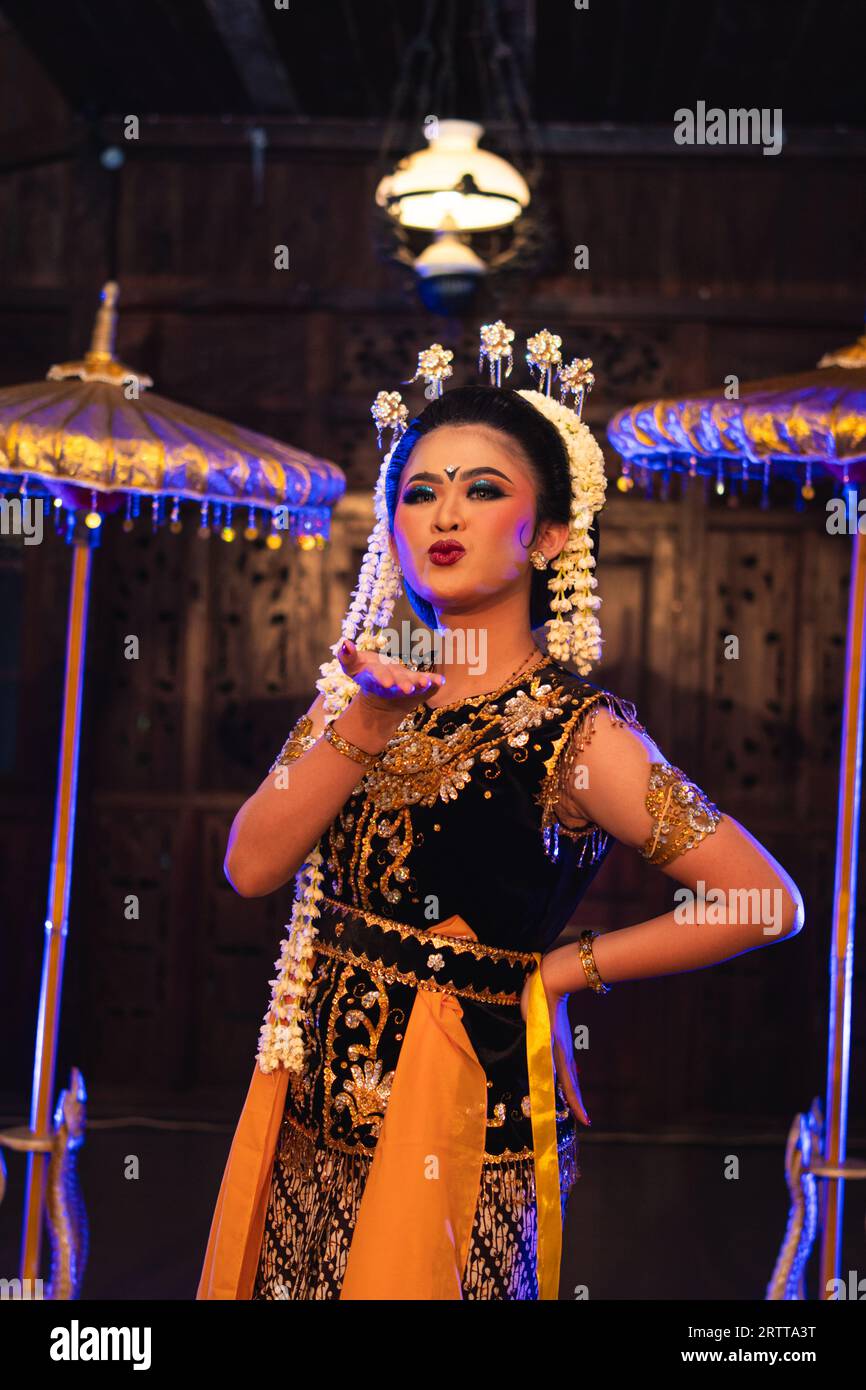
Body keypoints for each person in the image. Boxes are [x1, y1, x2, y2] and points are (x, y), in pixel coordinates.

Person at [196, 328, 804, 1302]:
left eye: (481, 489)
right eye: (418, 490)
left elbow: (761, 901)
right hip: (309, 1093)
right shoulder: (355, 689)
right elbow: (250, 868)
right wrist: (368, 714)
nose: (443, 511)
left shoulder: (579, 733)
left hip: (461, 1102)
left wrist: (561, 973)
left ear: (549, 535)